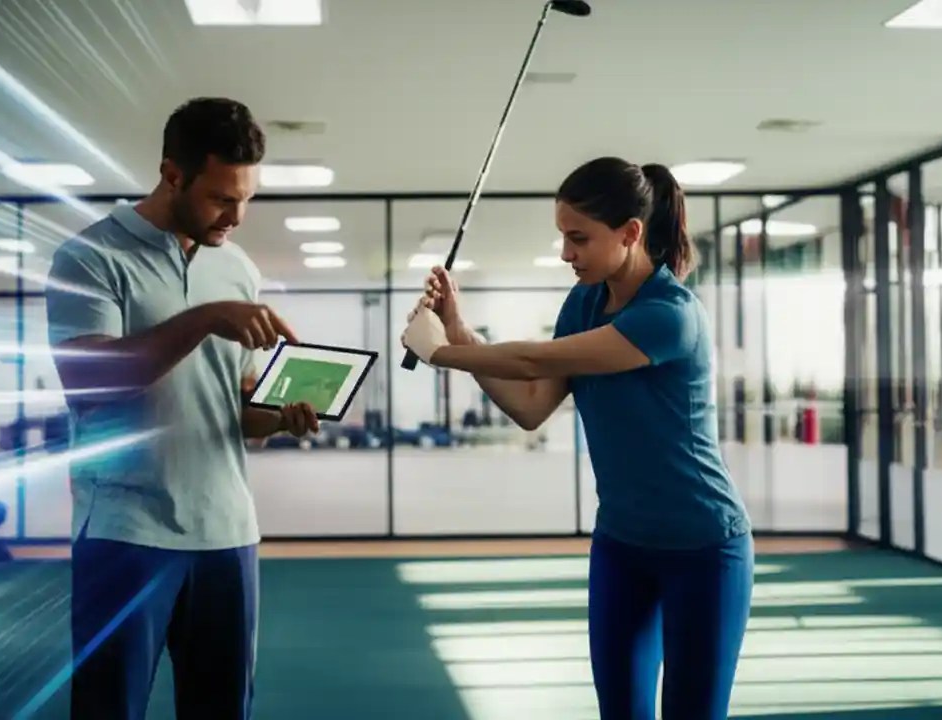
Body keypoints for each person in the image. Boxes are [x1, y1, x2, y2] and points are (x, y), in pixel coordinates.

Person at [400, 156, 754, 720]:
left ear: (630, 233)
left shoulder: (671, 315)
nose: (567, 253)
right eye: (563, 238)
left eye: (578, 239)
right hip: (622, 544)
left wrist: (441, 351)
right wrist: (459, 330)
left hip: (703, 546)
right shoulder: (584, 303)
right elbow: (532, 404)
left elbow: (531, 357)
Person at [44, 96, 320, 719]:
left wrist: (278, 418)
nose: (238, 215)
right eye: (224, 197)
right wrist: (205, 318)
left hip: (227, 533)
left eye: (247, 197)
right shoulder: (89, 259)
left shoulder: (238, 269)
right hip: (125, 531)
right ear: (173, 174)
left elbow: (238, 406)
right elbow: (91, 380)